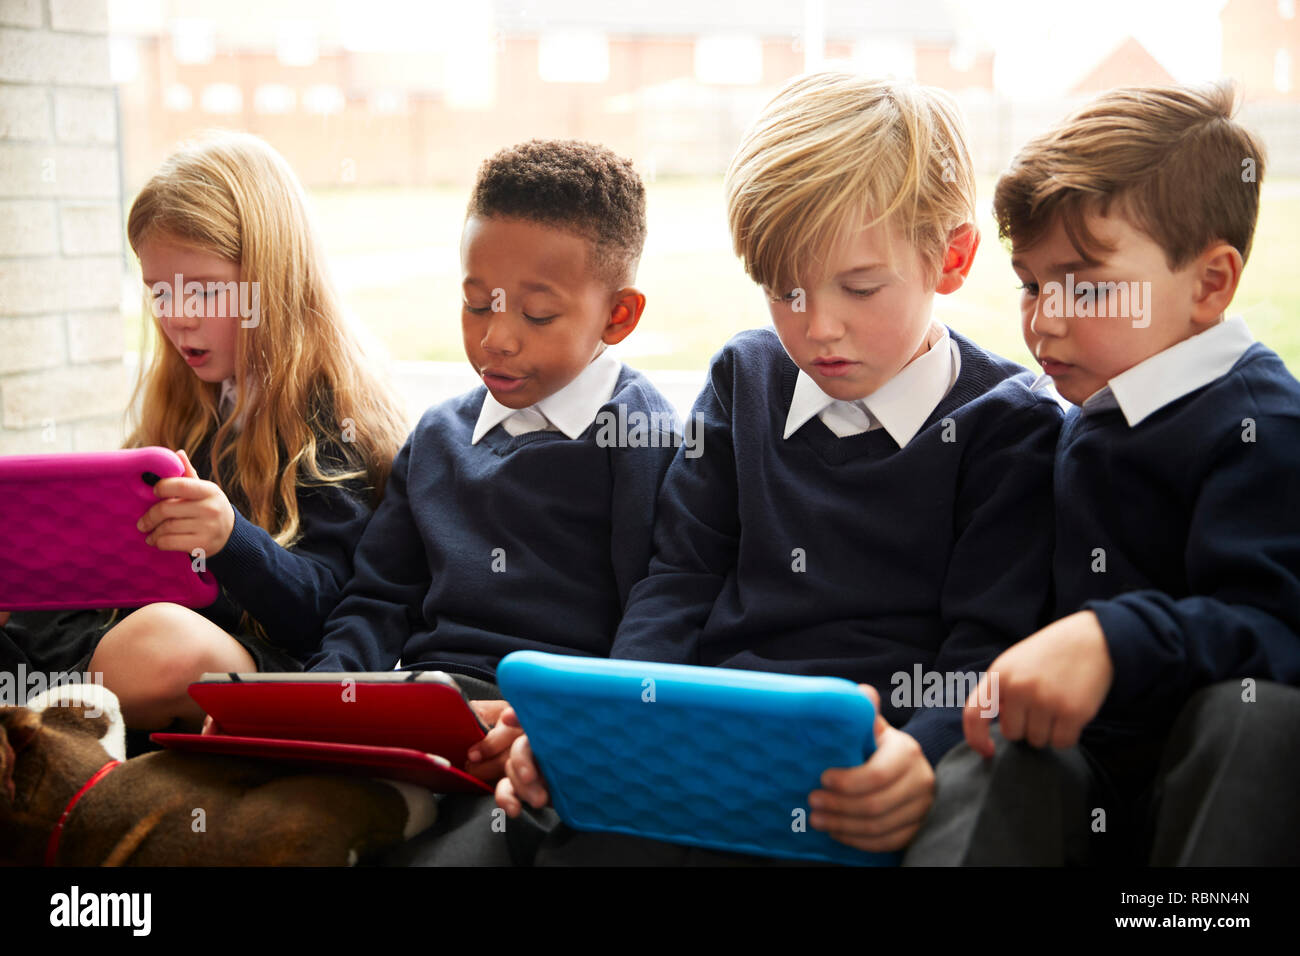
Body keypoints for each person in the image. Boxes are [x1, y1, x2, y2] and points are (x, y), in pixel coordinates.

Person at [497, 73, 1063, 865]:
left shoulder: (1011, 424)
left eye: (860, 287)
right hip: (716, 738)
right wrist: (618, 717)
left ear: (954, 259)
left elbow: (988, 647)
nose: (819, 327)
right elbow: (680, 577)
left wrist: (923, 754)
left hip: (874, 760)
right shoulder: (746, 377)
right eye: (783, 292)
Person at [908, 82, 1300, 866]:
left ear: (1211, 282)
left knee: (1258, 721)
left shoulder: (1262, 427)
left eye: (1084, 284)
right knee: (999, 759)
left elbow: (1278, 629)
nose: (1043, 318)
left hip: (1209, 791)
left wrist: (1112, 641)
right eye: (1029, 283)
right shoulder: (1063, 417)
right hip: (1079, 781)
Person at [305, 139, 680, 865]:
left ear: (619, 316)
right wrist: (330, 696)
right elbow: (378, 598)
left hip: (545, 729)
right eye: (477, 304)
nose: (495, 338)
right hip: (414, 710)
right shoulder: (439, 436)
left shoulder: (646, 438)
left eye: (537, 315)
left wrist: (561, 724)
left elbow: (657, 615)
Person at [1, 132, 408, 734]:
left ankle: (43, 720)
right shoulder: (184, 408)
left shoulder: (334, 423)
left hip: (259, 663)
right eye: (159, 292)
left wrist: (230, 540)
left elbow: (330, 612)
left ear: (273, 280)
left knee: (164, 642)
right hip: (120, 646)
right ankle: (46, 718)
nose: (177, 315)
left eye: (206, 290)